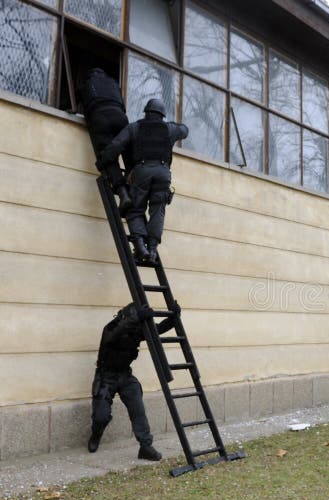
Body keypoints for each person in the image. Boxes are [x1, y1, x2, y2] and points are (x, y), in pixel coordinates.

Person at [97, 99, 188, 263]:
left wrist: (102, 161)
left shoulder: (135, 127)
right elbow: (184, 130)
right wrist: (172, 125)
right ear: (162, 115)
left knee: (135, 209)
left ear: (146, 112)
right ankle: (152, 250)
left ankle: (140, 246)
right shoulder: (169, 129)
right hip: (163, 173)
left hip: (142, 171)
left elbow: (116, 145)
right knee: (157, 210)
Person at [89, 302, 180, 461]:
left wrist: (174, 316)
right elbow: (112, 337)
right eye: (136, 318)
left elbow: (157, 330)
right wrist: (135, 319)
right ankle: (96, 434)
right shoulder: (111, 328)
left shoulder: (135, 331)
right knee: (101, 416)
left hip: (125, 376)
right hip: (106, 377)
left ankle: (145, 446)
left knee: (138, 409)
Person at [78, 68, 133, 213]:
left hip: (100, 117)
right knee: (128, 152)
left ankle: (123, 193)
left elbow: (82, 106)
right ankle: (133, 187)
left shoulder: (87, 84)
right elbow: (123, 106)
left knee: (108, 158)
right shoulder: (113, 83)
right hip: (120, 116)